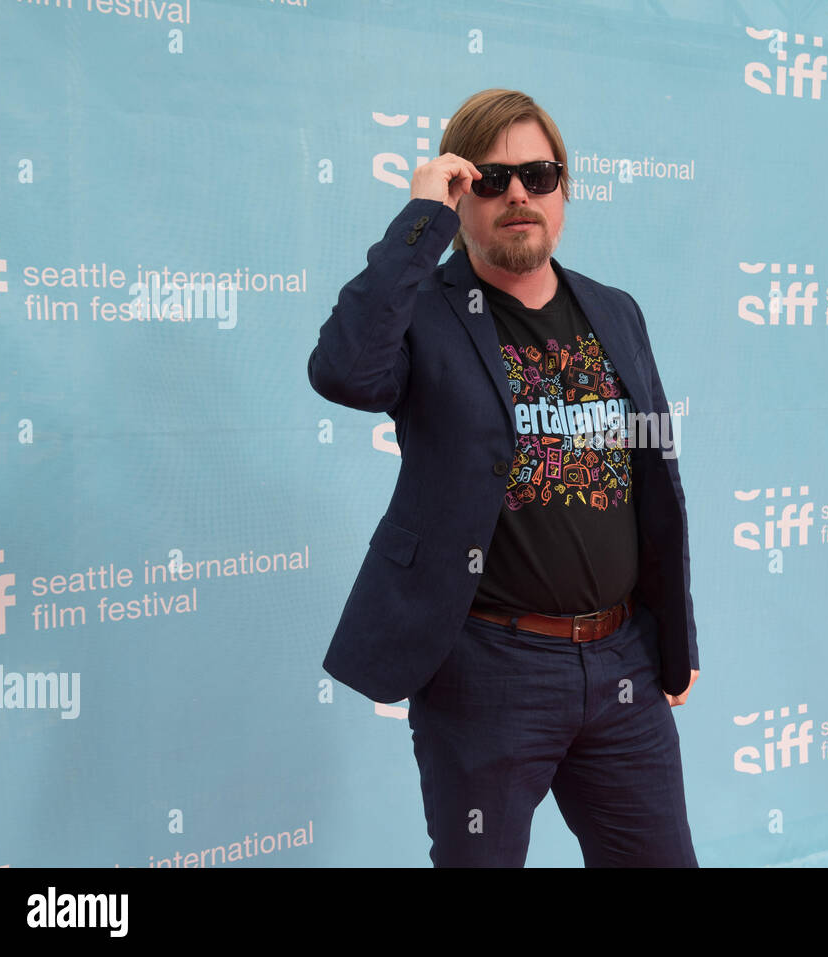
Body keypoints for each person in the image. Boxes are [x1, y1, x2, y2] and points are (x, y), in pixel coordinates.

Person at [307, 89, 699, 866]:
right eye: (490, 179)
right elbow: (345, 372)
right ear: (461, 192)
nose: (519, 193)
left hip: (621, 661)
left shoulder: (616, 311)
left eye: (540, 173)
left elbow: (656, 482)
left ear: (563, 190)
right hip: (487, 670)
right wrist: (422, 222)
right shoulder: (423, 310)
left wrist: (673, 636)